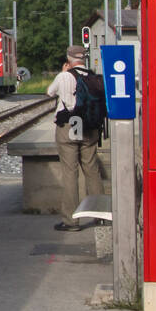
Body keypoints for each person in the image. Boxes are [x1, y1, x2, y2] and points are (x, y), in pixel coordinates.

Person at [46, 45, 104, 231]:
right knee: (92, 170)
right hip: (89, 127)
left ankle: (71, 221)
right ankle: (100, 216)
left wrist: (64, 72)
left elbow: (50, 92)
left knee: (71, 173)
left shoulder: (64, 76)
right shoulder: (93, 76)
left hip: (69, 126)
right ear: (85, 58)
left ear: (69, 59)